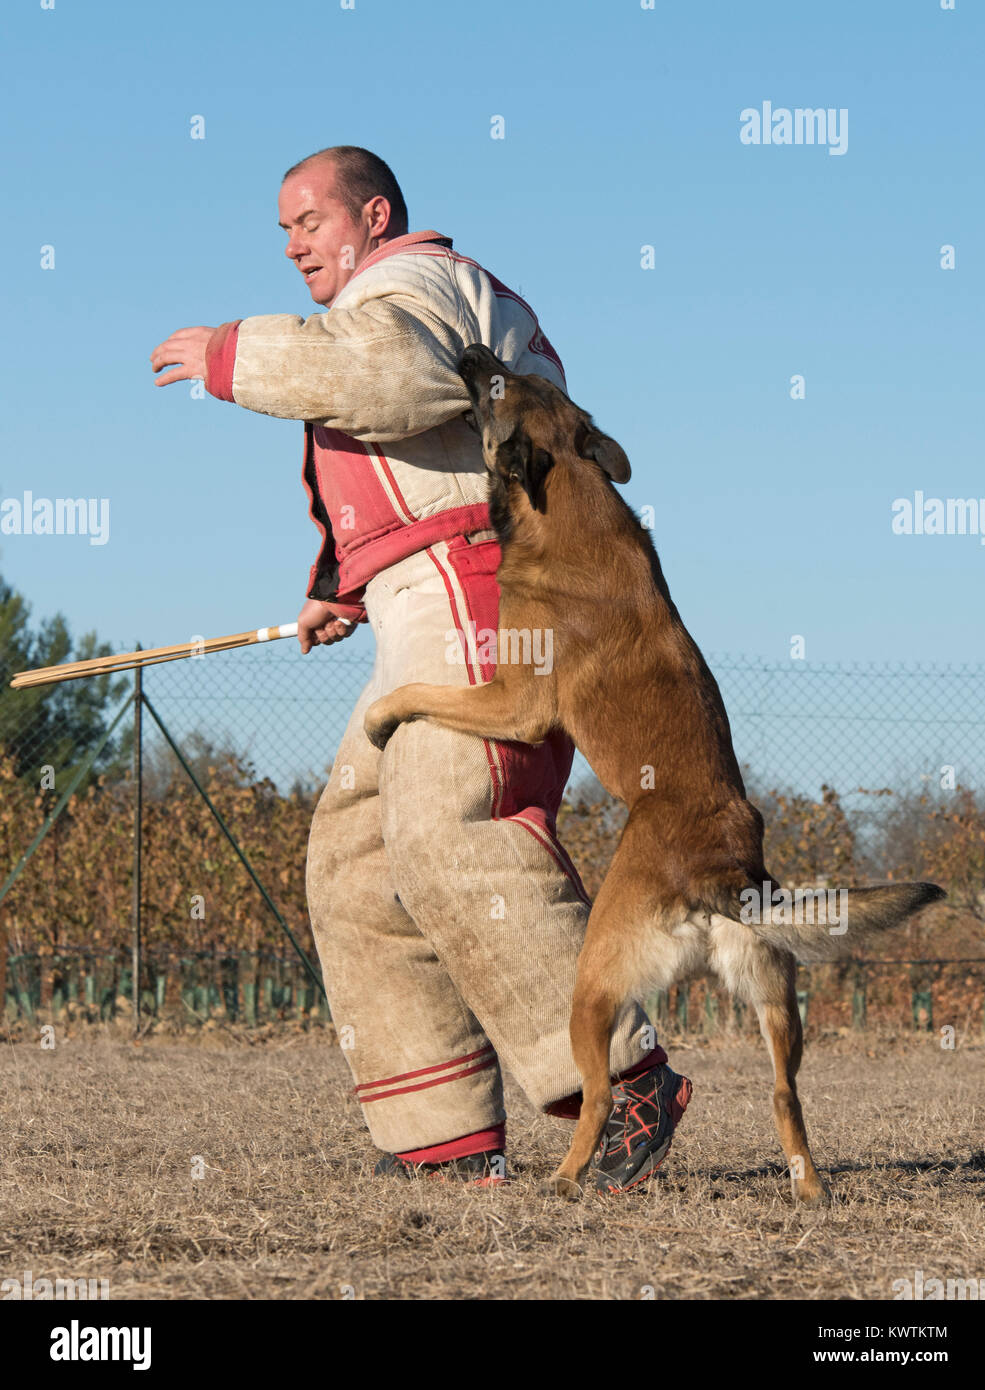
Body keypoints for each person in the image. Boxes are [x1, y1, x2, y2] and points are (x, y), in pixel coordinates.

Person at [150, 145, 691, 1192]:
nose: (294, 242)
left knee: (454, 824)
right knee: (355, 861)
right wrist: (342, 586)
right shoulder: (399, 293)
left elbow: (386, 379)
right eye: (282, 230)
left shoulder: (410, 281)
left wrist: (230, 355)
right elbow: (413, 468)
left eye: (309, 220)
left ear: (375, 214)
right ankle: (440, 1139)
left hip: (488, 592)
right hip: (422, 599)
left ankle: (622, 1082)